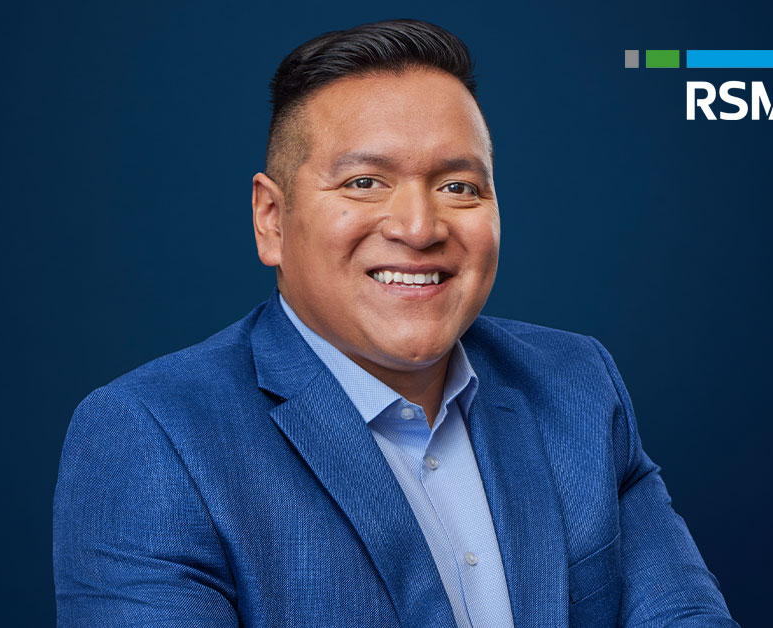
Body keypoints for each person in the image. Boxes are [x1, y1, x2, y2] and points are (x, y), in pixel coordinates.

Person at [53, 19, 736, 628]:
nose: (418, 227)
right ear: (272, 219)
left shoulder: (577, 384)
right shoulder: (151, 436)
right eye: (364, 182)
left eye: (459, 187)